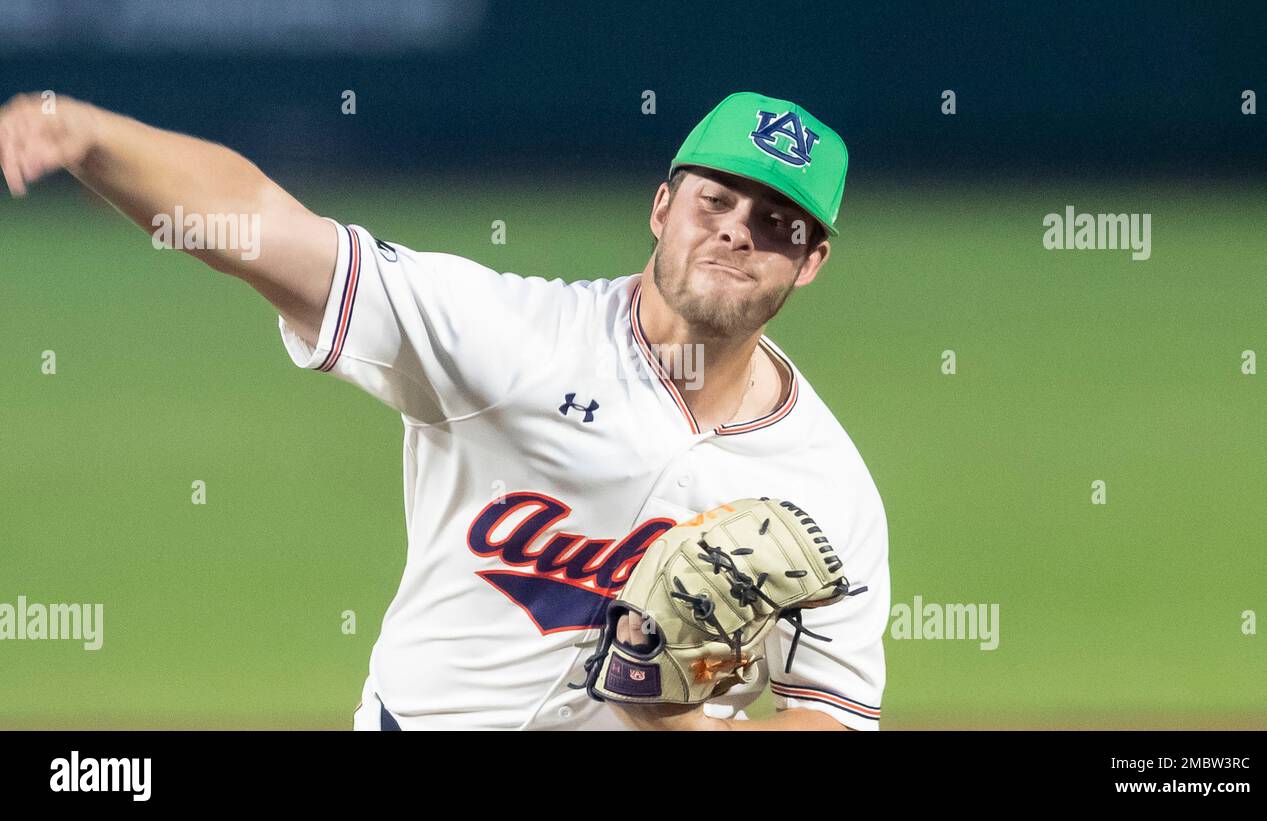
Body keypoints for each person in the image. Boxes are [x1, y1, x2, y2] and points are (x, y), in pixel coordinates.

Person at [0, 89, 889, 730]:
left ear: (811, 263)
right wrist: (82, 132)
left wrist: (680, 722)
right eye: (717, 200)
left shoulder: (827, 488)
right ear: (662, 208)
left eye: (780, 223)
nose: (739, 230)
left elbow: (830, 709)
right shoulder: (511, 337)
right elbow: (264, 228)